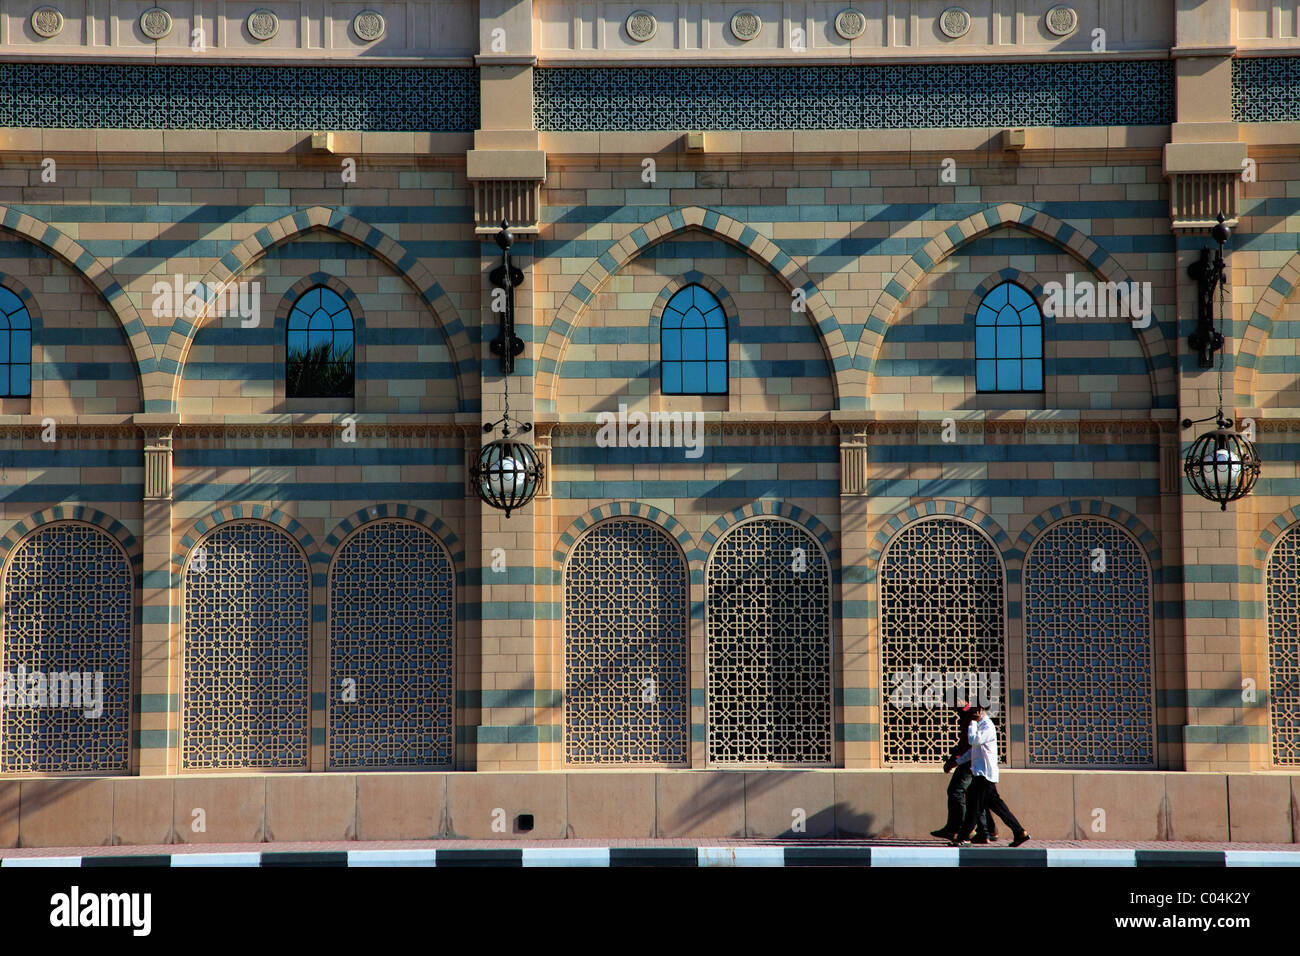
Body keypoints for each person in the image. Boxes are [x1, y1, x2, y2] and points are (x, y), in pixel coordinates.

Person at [950, 703, 1031, 848]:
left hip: (985, 774)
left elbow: (973, 740)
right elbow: (972, 752)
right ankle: (1020, 833)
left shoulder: (987, 726)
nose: (972, 714)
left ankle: (964, 838)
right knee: (999, 808)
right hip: (981, 774)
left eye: (975, 711)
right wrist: (957, 762)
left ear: (981, 710)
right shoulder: (980, 726)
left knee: (973, 806)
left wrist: (973, 723)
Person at [930, 699, 998, 842]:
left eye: (952, 702)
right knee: (978, 797)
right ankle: (986, 831)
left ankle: (958, 829)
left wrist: (955, 761)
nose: (950, 707)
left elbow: (970, 744)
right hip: (974, 763)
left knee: (957, 791)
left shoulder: (971, 716)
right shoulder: (967, 715)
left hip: (972, 763)